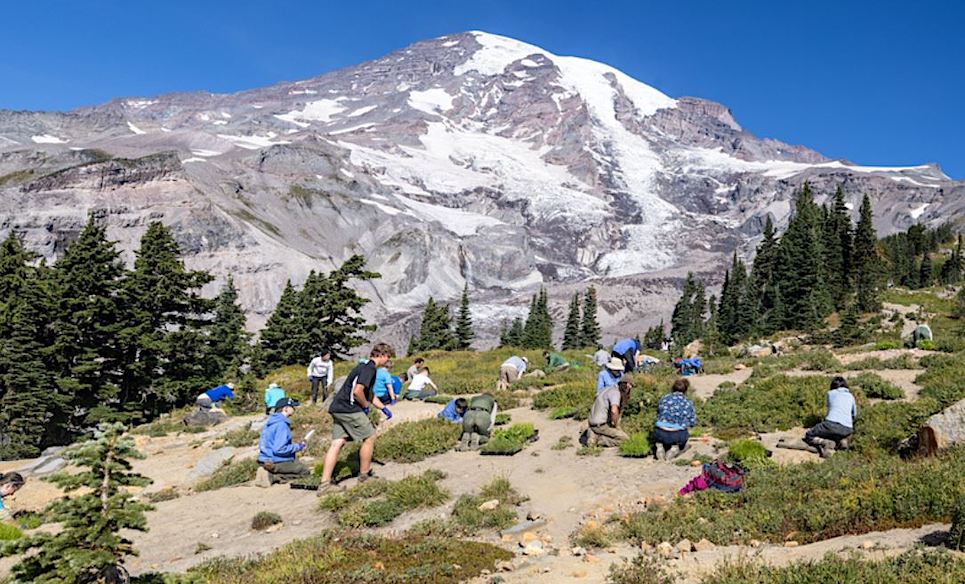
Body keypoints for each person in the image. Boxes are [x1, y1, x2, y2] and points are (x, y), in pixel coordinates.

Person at [317, 343, 396, 493]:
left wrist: (383, 408)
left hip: (337, 407)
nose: (388, 360)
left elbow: (369, 394)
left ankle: (324, 484)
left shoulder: (363, 367)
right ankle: (364, 477)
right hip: (349, 408)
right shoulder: (370, 368)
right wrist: (365, 406)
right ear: (383, 355)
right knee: (370, 437)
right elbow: (357, 391)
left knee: (337, 443)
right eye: (388, 357)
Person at [255, 397, 309, 487]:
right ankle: (272, 476)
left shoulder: (271, 422)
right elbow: (279, 449)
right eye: (292, 407)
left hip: (264, 458)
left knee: (295, 461)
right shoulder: (282, 425)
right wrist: (299, 447)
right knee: (304, 471)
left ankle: (269, 470)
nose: (294, 409)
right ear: (285, 409)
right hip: (275, 459)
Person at [803, 376, 856, 458]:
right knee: (837, 433)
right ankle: (842, 441)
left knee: (809, 435)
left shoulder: (830, 393)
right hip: (847, 428)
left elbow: (829, 411)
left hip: (830, 424)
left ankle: (824, 442)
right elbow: (854, 414)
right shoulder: (851, 396)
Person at [653, 379, 698, 460]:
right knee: (681, 437)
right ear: (685, 390)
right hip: (677, 434)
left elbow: (658, 414)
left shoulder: (664, 398)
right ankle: (675, 448)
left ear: (672, 388)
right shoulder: (687, 402)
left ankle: (659, 446)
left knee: (660, 435)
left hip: (660, 432)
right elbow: (692, 422)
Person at [583, 380, 633, 447]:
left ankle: (593, 432)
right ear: (626, 385)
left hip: (592, 422)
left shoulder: (608, 389)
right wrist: (616, 425)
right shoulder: (616, 393)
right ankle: (599, 440)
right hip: (601, 425)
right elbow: (614, 411)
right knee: (625, 439)